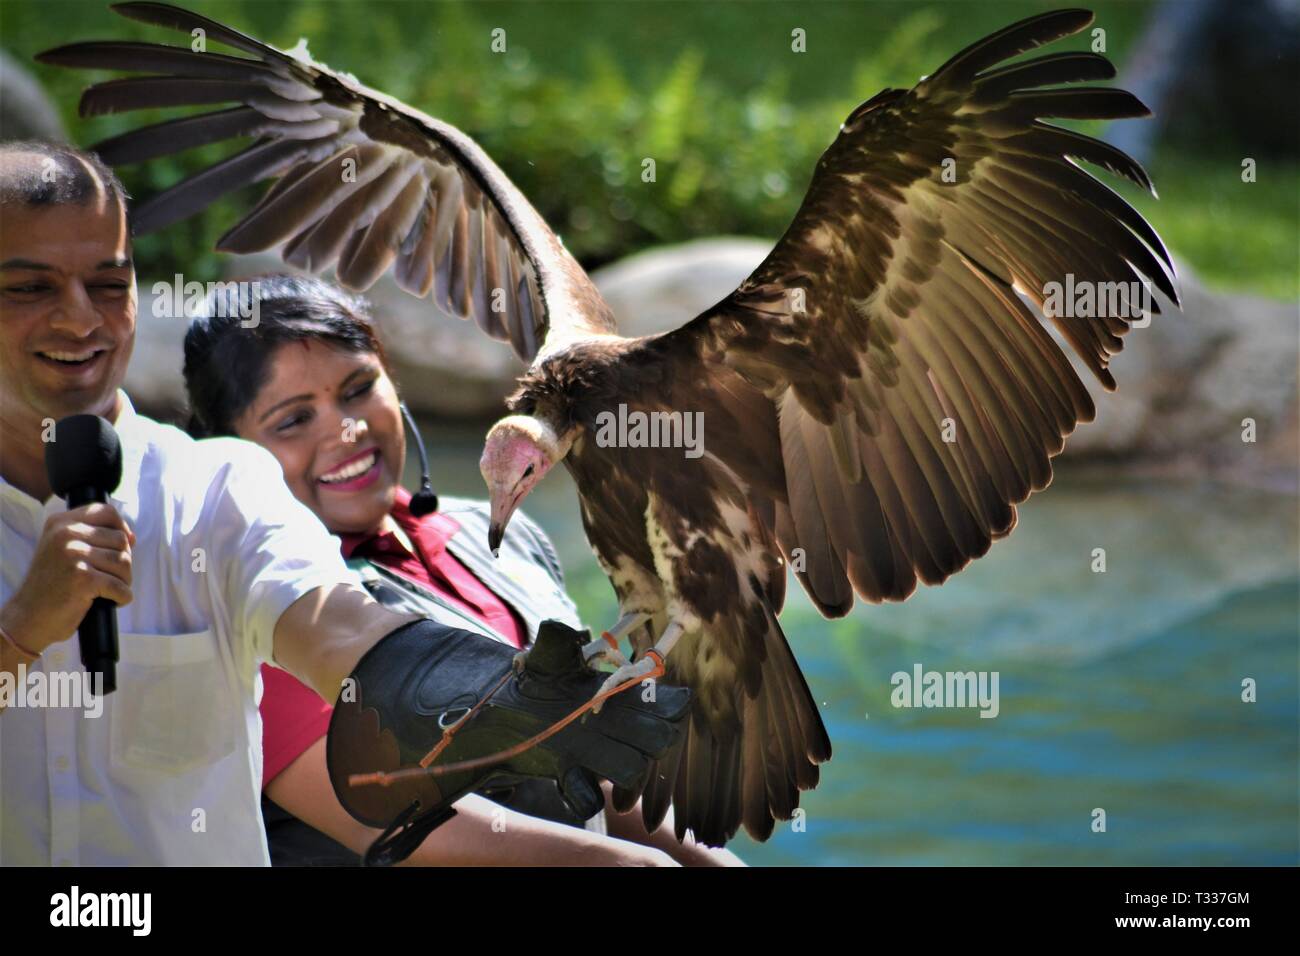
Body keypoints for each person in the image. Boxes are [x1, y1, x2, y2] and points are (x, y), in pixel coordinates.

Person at [0, 141, 689, 866]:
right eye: (29, 288)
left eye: (109, 283)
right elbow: (366, 793)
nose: (80, 320)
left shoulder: (221, 489)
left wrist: (492, 692)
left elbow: (337, 633)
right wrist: (21, 632)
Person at [182, 274, 742, 866]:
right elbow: (398, 827)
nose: (346, 429)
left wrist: (700, 857)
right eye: (293, 420)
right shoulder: (269, 609)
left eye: (357, 389)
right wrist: (624, 864)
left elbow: (586, 760)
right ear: (228, 453)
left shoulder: (499, 532)